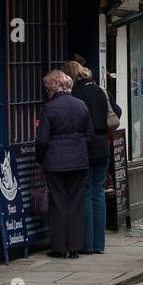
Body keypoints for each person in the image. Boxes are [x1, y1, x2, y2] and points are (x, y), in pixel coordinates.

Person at [35, 69, 93, 259]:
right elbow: (90, 135)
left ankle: (59, 247)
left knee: (58, 203)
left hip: (55, 161)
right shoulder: (81, 105)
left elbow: (42, 139)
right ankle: (75, 247)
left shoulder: (48, 108)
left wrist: (40, 158)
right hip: (78, 159)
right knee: (76, 202)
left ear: (52, 87)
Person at [64, 59, 110, 255]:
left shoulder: (77, 94)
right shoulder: (100, 90)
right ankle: (99, 244)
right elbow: (115, 111)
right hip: (103, 146)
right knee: (98, 192)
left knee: (86, 192)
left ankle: (87, 244)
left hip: (85, 146)